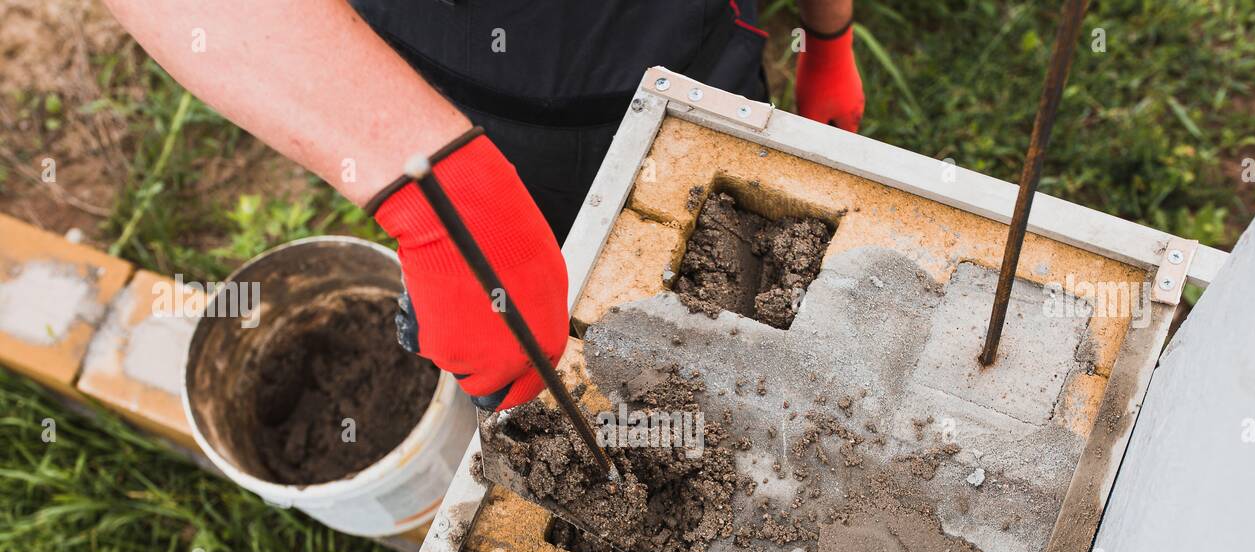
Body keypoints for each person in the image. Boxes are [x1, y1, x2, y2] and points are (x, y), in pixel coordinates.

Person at [104, 0, 865, 411]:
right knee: (534, 365)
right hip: (460, 110)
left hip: (703, 68)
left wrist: (829, 35)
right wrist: (429, 188)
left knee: (755, 327)